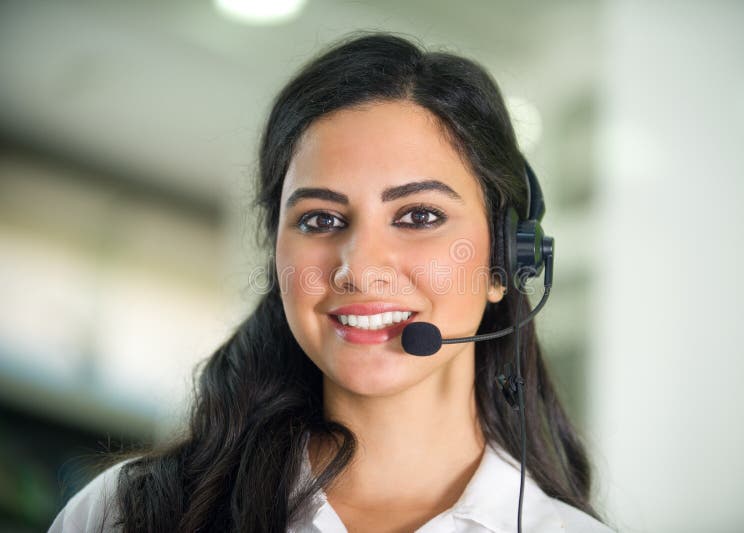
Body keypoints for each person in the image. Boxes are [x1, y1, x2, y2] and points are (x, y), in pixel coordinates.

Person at [49, 32, 613, 532]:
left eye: (418, 216)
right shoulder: (123, 514)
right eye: (320, 219)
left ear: (506, 265)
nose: (360, 269)